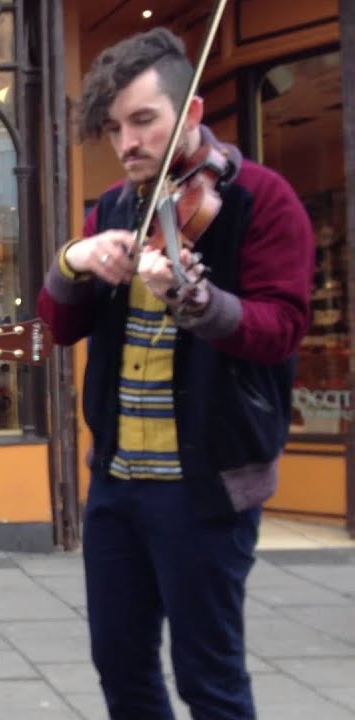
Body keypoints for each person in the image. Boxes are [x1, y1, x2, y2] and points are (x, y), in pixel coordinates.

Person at [37, 27, 313, 720]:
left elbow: (281, 330)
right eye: (113, 128)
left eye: (143, 121)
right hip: (118, 485)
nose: (127, 143)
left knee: (209, 678)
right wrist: (74, 259)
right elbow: (59, 327)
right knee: (120, 667)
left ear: (188, 113)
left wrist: (196, 301)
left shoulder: (261, 200)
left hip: (207, 487)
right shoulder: (115, 208)